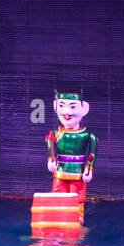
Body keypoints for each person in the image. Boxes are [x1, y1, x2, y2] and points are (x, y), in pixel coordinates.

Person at [45, 88, 97, 222]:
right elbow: (51, 148)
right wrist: (51, 160)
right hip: (61, 170)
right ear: (56, 107)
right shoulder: (56, 134)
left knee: (77, 195)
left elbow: (91, 155)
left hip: (78, 172)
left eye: (72, 107)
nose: (67, 112)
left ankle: (77, 217)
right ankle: (58, 217)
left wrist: (89, 169)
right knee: (58, 193)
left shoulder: (88, 136)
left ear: (84, 109)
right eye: (62, 106)